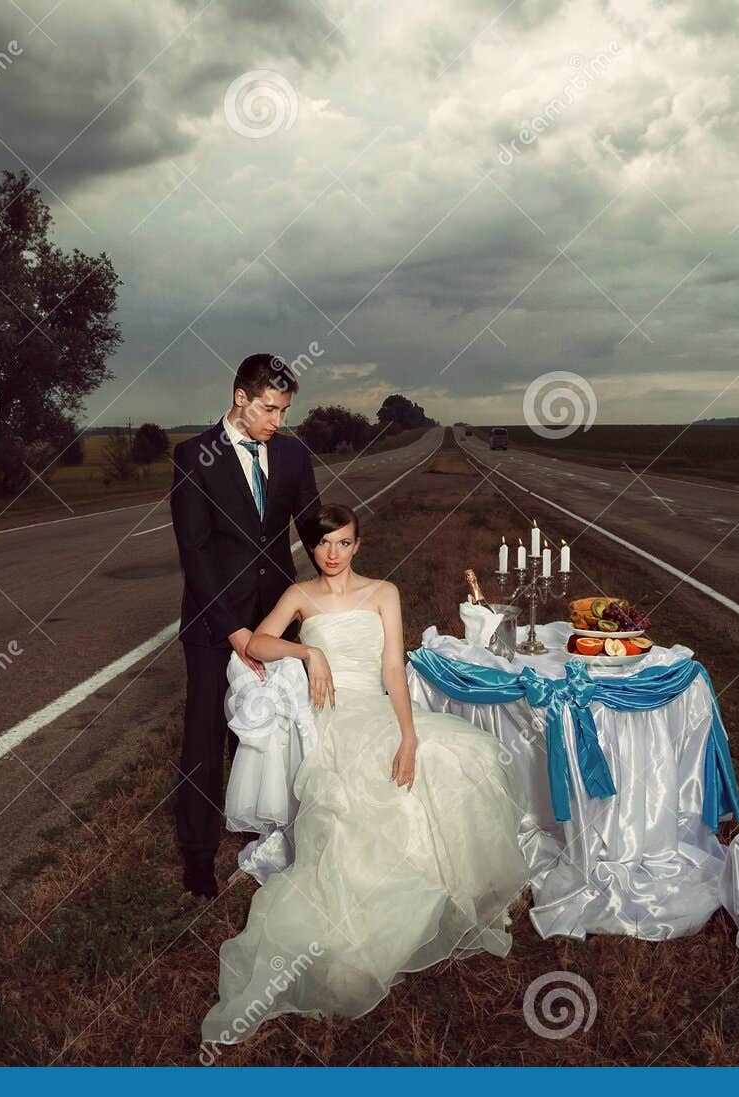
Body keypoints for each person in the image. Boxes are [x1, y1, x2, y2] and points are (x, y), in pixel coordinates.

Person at [201, 503, 530, 1044]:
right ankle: (376, 900)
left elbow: (393, 669)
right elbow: (257, 642)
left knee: (466, 753)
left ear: (358, 544)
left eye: (344, 543)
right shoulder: (299, 595)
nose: (332, 554)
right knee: (366, 777)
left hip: (379, 708)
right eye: (323, 544)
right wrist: (308, 652)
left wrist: (409, 734)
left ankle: (447, 883)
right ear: (311, 547)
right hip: (333, 714)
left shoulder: (383, 593)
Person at [169, 354, 320, 899]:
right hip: (215, 623)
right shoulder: (194, 456)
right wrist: (235, 632)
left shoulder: (293, 454)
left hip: (275, 616)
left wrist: (343, 587)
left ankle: (275, 837)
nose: (277, 421)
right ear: (240, 397)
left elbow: (314, 529)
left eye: (284, 411)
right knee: (205, 735)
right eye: (269, 409)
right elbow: (195, 550)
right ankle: (198, 856)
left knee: (276, 729)